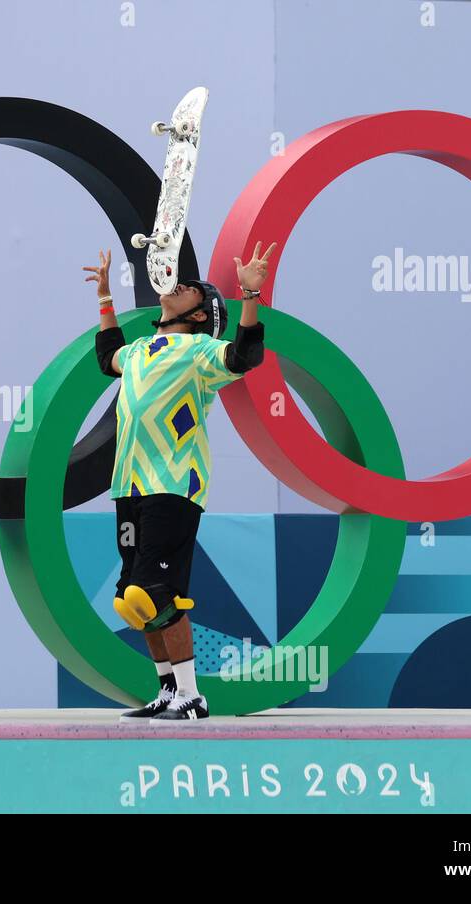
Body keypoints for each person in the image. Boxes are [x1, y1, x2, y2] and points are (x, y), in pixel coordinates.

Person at [84, 242, 274, 721]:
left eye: (189, 288)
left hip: (173, 484)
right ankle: (168, 690)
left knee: (156, 591)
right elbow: (107, 356)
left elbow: (246, 354)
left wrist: (250, 293)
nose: (178, 285)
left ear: (199, 315)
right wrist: (106, 298)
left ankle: (192, 695)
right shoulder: (140, 350)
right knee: (132, 597)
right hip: (128, 485)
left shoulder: (202, 351)